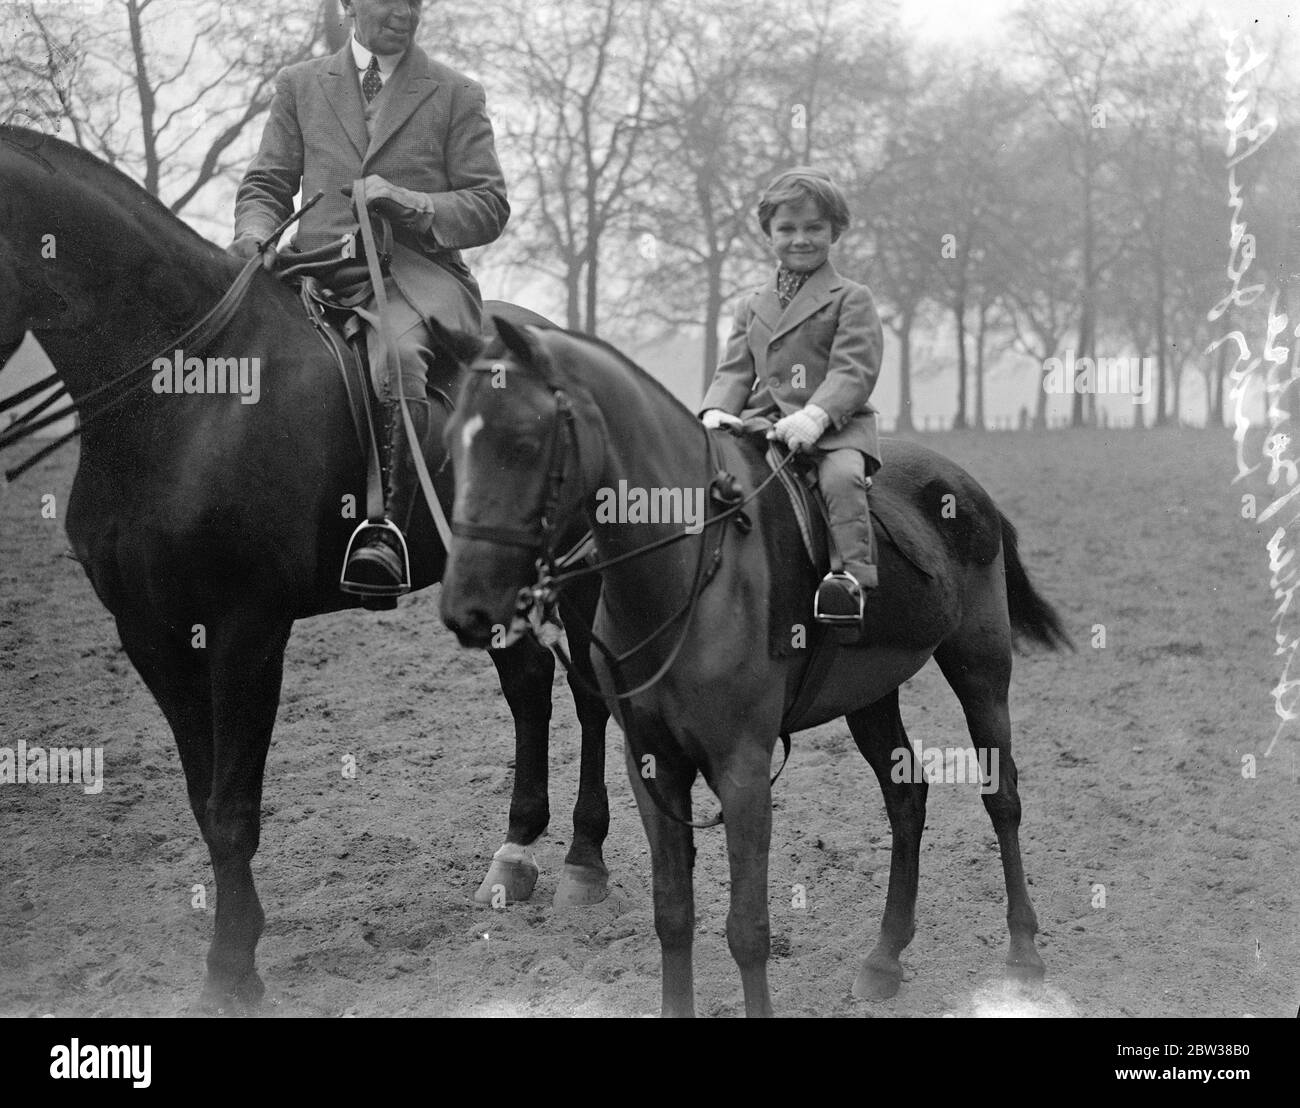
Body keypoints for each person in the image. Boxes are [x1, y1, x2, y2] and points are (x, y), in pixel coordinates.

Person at [230, 0, 508, 598]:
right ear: (350, 4)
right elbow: (268, 183)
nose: (406, 10)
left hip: (412, 278)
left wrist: (409, 202)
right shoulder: (300, 84)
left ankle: (385, 534)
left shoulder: (457, 92)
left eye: (416, 1)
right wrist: (255, 235)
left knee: (399, 358)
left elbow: (489, 206)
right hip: (312, 273)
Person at [699, 167, 883, 625]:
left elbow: (853, 370)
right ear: (769, 235)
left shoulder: (851, 298)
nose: (800, 239)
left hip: (834, 430)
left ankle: (849, 580)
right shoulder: (750, 304)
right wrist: (718, 410)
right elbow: (736, 370)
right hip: (763, 422)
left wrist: (818, 415)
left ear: (834, 231)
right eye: (787, 229)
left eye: (814, 228)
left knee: (841, 480)